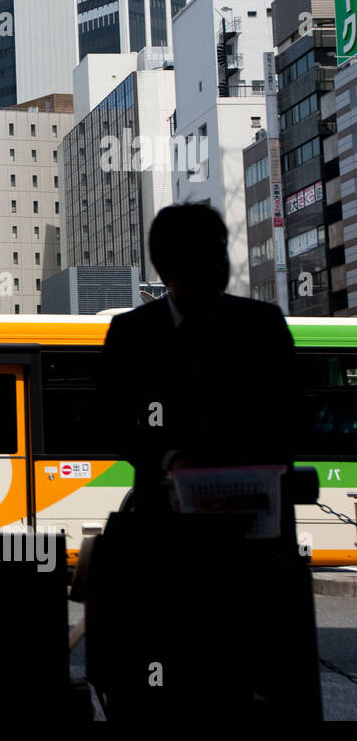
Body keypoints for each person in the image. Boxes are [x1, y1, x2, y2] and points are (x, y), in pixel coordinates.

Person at [98, 202, 299, 512]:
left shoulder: (264, 324)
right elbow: (109, 423)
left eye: (222, 250)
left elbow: (293, 413)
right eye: (206, 252)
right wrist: (170, 460)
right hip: (166, 514)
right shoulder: (132, 333)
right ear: (168, 264)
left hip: (257, 507)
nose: (220, 263)